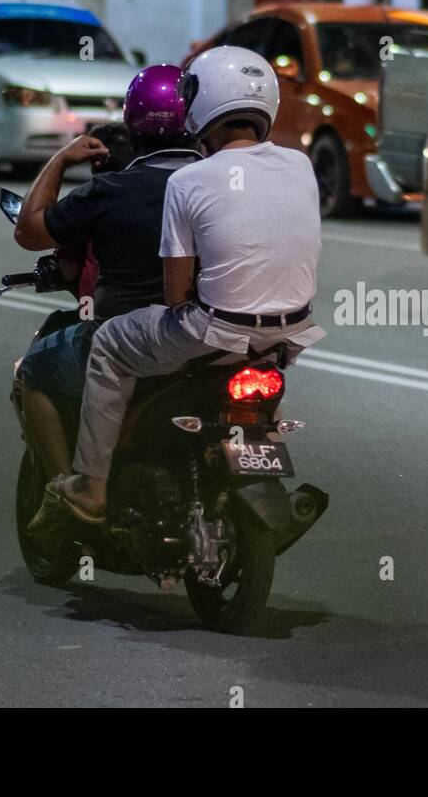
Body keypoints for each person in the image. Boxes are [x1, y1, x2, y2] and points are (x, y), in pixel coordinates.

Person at [30, 46, 325, 529]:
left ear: (202, 102)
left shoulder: (190, 181)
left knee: (106, 344)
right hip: (290, 335)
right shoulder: (300, 167)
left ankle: (91, 485)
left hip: (213, 330)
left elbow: (175, 293)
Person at [13, 65, 199, 481]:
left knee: (35, 368)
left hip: (137, 340)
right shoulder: (220, 183)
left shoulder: (110, 190)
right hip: (217, 339)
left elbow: (29, 231)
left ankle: (68, 490)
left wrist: (61, 158)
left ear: (133, 125)